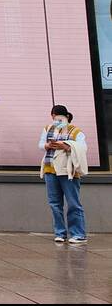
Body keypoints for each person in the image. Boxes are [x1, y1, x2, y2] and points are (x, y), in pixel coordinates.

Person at [40, 104, 88, 244]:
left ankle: (78, 234)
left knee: (73, 203)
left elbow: (82, 147)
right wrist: (47, 146)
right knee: (55, 203)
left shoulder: (76, 131)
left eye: (59, 117)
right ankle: (60, 233)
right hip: (51, 169)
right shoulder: (47, 129)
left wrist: (66, 146)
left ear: (66, 117)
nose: (56, 120)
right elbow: (41, 144)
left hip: (68, 171)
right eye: (54, 117)